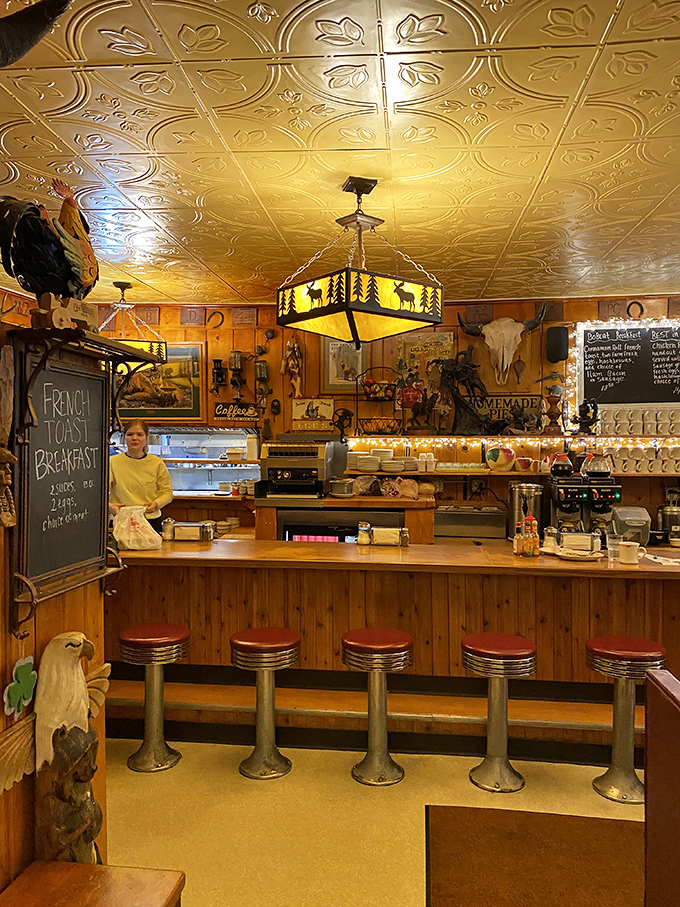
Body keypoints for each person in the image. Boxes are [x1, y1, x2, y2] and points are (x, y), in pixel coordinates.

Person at [109, 420, 173, 533]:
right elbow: (100, 493)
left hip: (149, 520)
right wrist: (109, 506)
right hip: (122, 519)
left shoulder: (156, 463)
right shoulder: (112, 462)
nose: (134, 438)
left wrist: (156, 504)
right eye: (130, 434)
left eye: (139, 434)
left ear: (146, 437)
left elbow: (167, 493)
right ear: (123, 438)